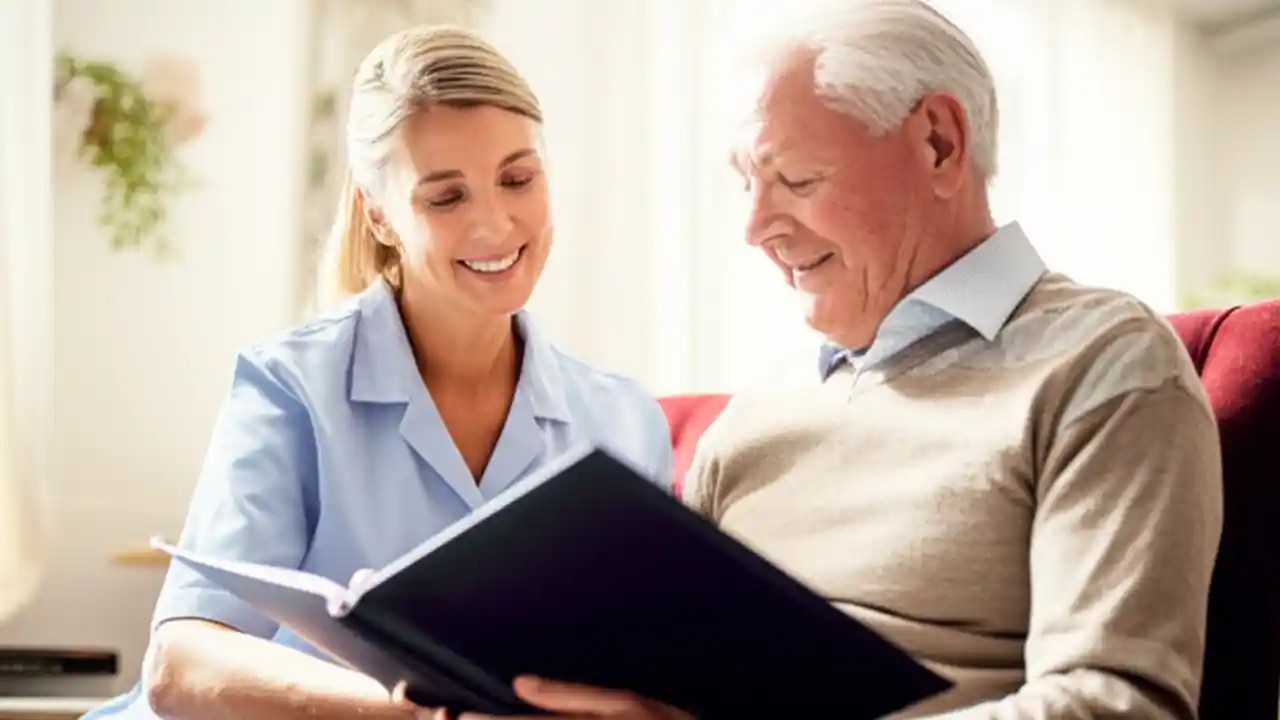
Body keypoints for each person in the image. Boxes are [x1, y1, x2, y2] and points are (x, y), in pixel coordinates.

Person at [461, 1, 1224, 718]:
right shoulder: (757, 416)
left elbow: (1111, 705)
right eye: (746, 186)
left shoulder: (1102, 364)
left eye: (796, 179)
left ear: (939, 143)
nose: (756, 229)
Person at [83, 24, 672, 720]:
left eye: (518, 179)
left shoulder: (624, 422)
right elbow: (180, 664)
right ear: (381, 215)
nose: (494, 224)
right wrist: (416, 713)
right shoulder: (292, 387)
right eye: (446, 198)